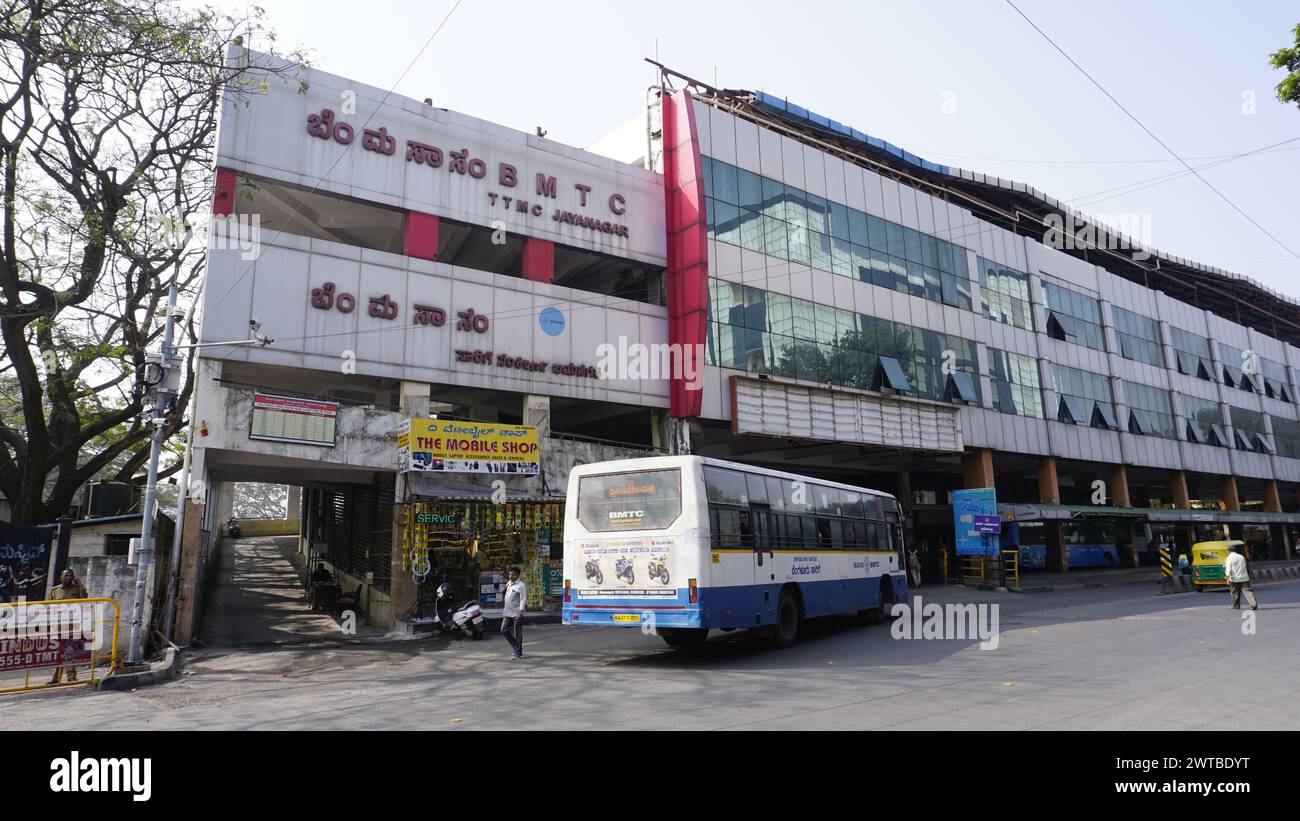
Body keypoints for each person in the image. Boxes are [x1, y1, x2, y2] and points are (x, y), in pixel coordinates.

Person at [48, 568, 88, 684]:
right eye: (65, 576)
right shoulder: (54, 591)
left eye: (70, 576)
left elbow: (84, 598)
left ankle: (71, 677)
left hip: (71, 625)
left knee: (70, 650)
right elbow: (47, 607)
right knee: (58, 651)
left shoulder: (77, 589)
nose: (68, 578)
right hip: (57, 625)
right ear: (61, 577)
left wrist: (81, 585)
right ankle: (55, 678)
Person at [501, 566, 526, 660]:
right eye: (510, 574)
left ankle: (518, 652)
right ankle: (517, 648)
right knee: (503, 629)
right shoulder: (509, 583)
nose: (511, 576)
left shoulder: (521, 585)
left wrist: (521, 611)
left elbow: (523, 599)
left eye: (513, 574)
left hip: (517, 613)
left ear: (518, 575)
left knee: (517, 633)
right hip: (507, 611)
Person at [1224, 544, 1258, 611]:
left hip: (1234, 578)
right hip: (1244, 577)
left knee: (1235, 592)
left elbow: (1228, 569)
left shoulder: (1229, 558)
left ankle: (1237, 605)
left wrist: (1227, 578)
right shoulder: (1241, 556)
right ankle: (1253, 604)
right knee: (1248, 591)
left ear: (1228, 551)